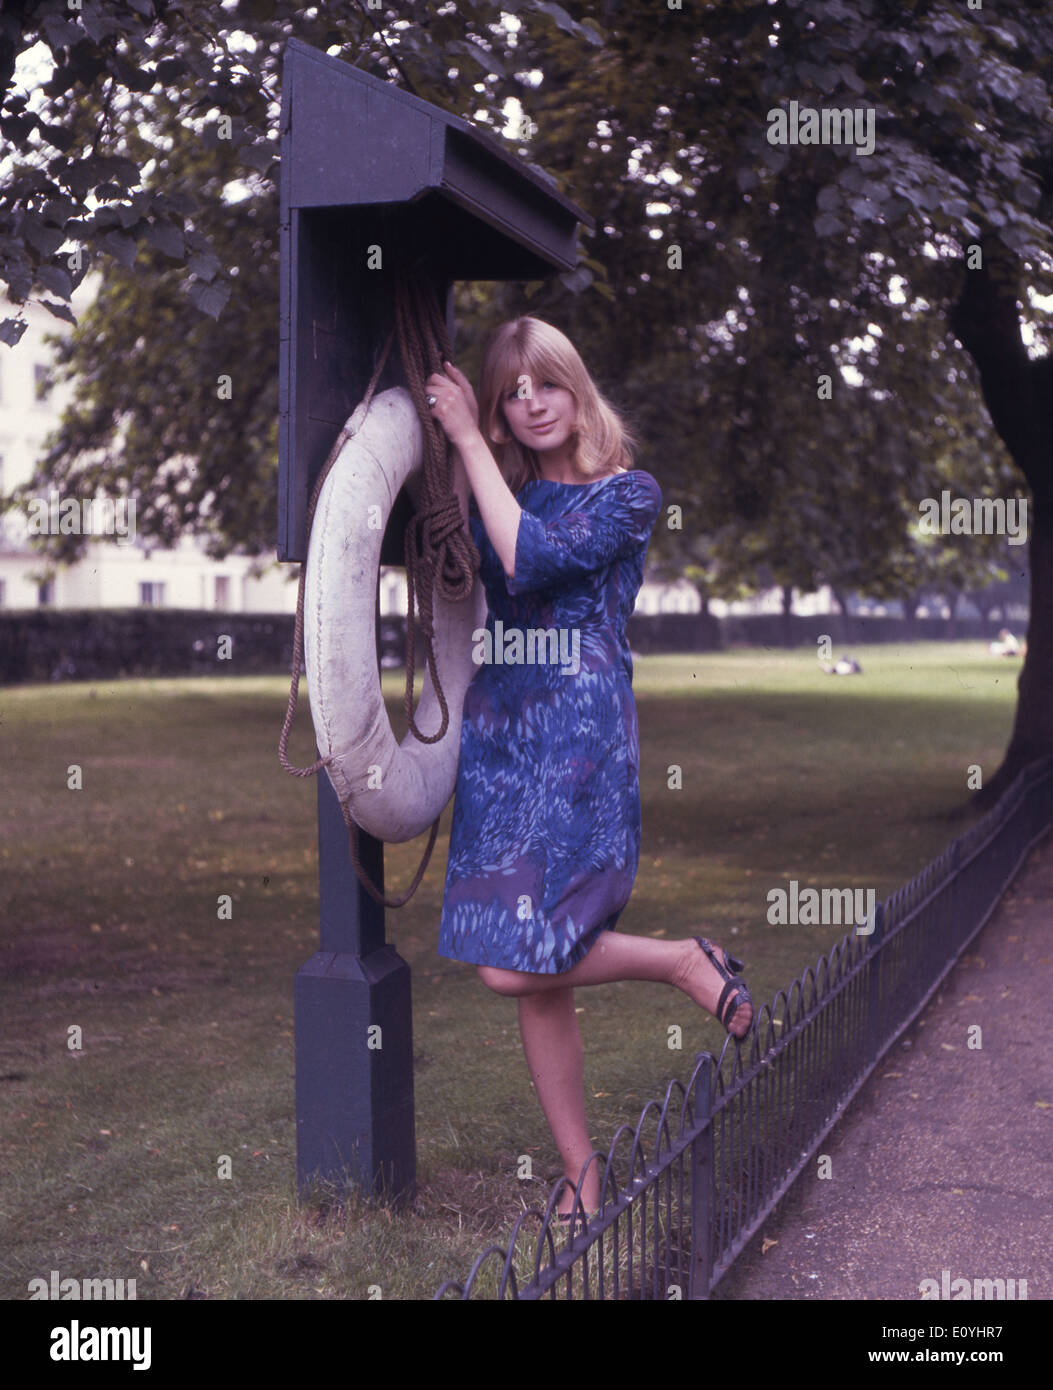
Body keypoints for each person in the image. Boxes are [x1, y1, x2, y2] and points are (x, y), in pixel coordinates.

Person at [425, 317, 753, 1220]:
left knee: (522, 960)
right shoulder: (499, 491)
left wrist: (467, 438)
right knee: (531, 965)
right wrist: (451, 443)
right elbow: (457, 553)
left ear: (577, 390)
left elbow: (531, 562)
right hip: (500, 730)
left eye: (546, 385)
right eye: (509, 394)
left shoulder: (628, 494)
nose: (531, 405)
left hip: (578, 725)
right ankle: (580, 1170)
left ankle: (679, 963)